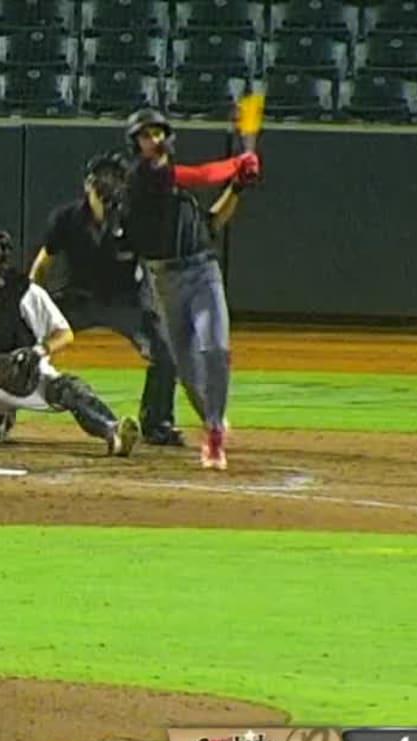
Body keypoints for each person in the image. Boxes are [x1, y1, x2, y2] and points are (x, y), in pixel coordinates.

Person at [0, 223, 140, 457]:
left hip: (32, 379)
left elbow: (64, 333)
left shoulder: (25, 292)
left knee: (69, 390)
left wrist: (39, 351)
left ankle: (113, 432)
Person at [122, 109, 259, 470]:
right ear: (136, 143)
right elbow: (202, 175)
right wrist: (238, 163)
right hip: (164, 282)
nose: (154, 139)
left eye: (158, 133)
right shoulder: (143, 177)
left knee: (215, 348)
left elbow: (212, 223)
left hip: (202, 272)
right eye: (146, 135)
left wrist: (238, 185)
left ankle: (213, 434)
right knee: (186, 368)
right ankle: (212, 417)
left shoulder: (179, 197)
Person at [28, 152, 186, 447]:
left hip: (126, 301)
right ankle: (0, 411)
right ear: (88, 184)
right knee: (22, 343)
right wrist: (29, 308)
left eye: (115, 179)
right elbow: (42, 266)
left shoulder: (135, 219)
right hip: (79, 299)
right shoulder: (67, 218)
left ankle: (157, 424)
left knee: (165, 354)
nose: (107, 186)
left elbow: (158, 261)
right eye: (101, 179)